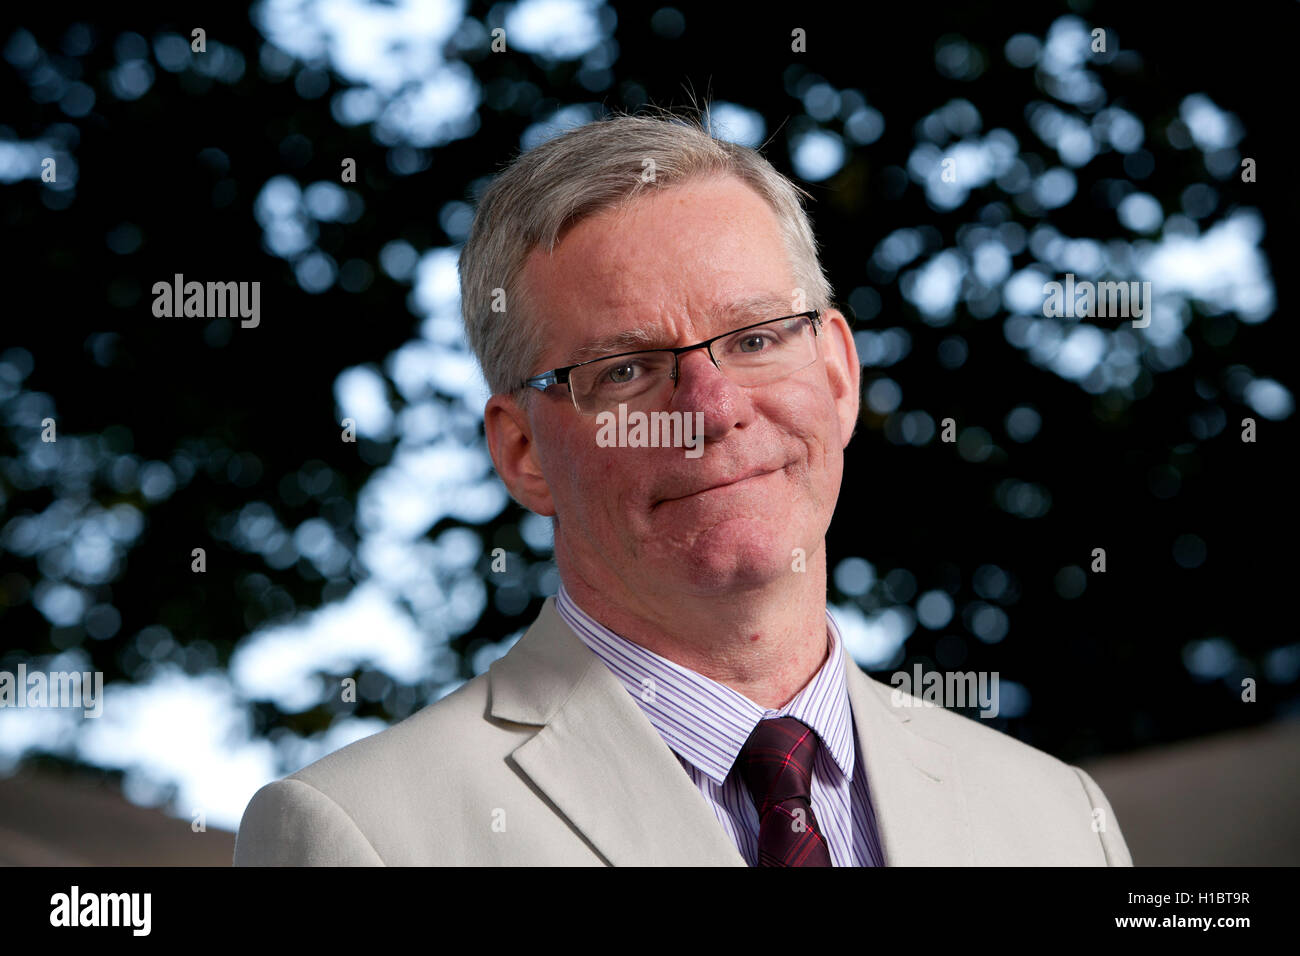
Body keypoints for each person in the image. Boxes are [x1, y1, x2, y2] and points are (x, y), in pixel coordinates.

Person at [234, 113, 1133, 866]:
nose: (711, 409)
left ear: (840, 373)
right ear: (522, 453)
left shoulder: (1060, 821)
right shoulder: (364, 839)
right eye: (626, 369)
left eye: (754, 338)